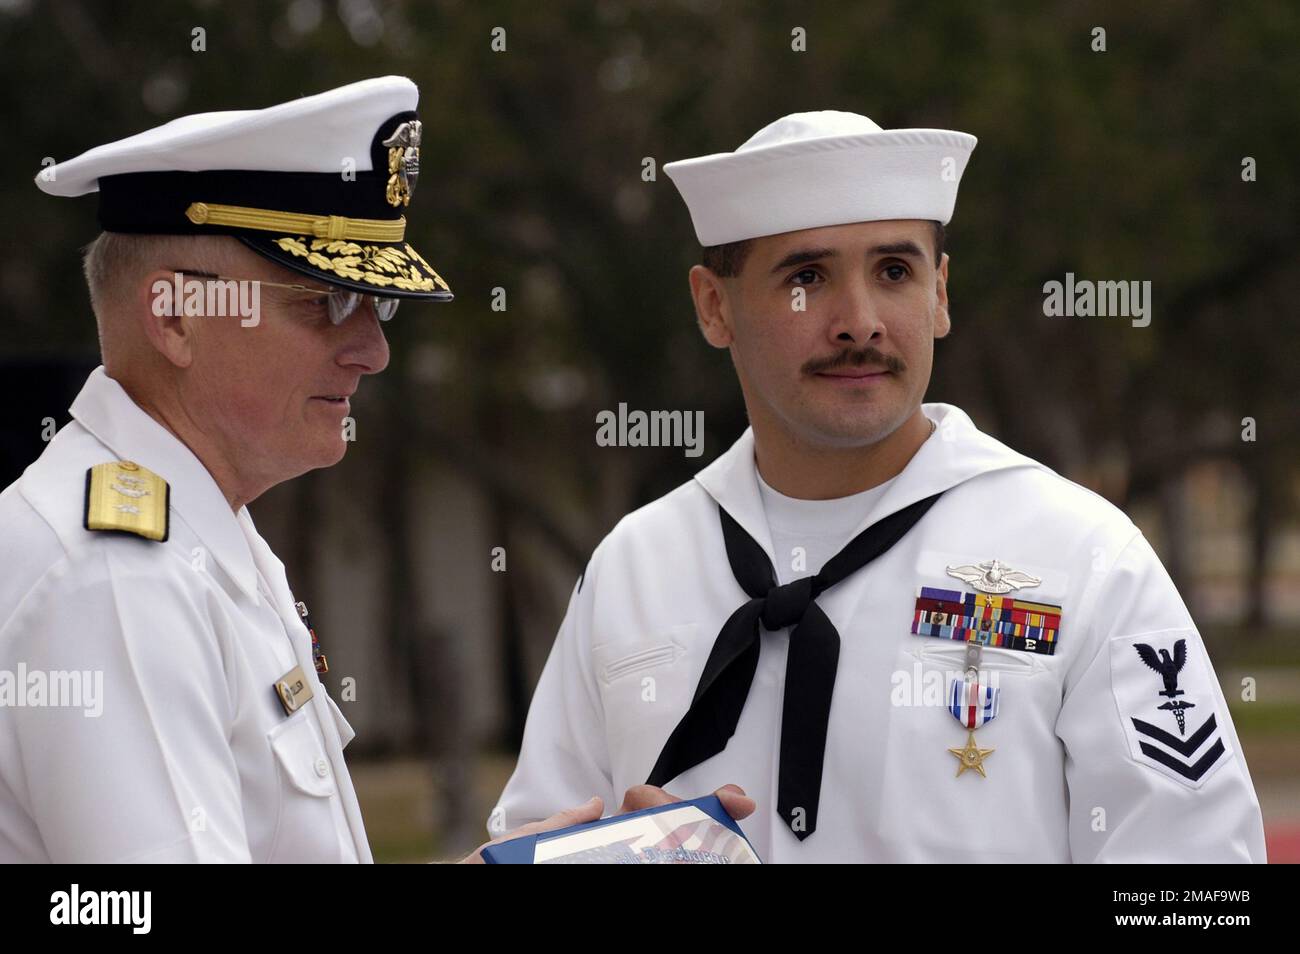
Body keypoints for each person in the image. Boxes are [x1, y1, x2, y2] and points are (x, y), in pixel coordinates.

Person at [492, 111, 1267, 862]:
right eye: (807, 276)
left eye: (894, 271)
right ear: (714, 305)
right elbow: (533, 845)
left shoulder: (1084, 558)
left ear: (940, 295)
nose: (859, 321)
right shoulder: (633, 568)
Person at [0, 75, 464, 863]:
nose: (374, 351)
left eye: (375, 305)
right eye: (324, 300)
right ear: (176, 317)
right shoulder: (118, 577)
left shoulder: (192, 534)